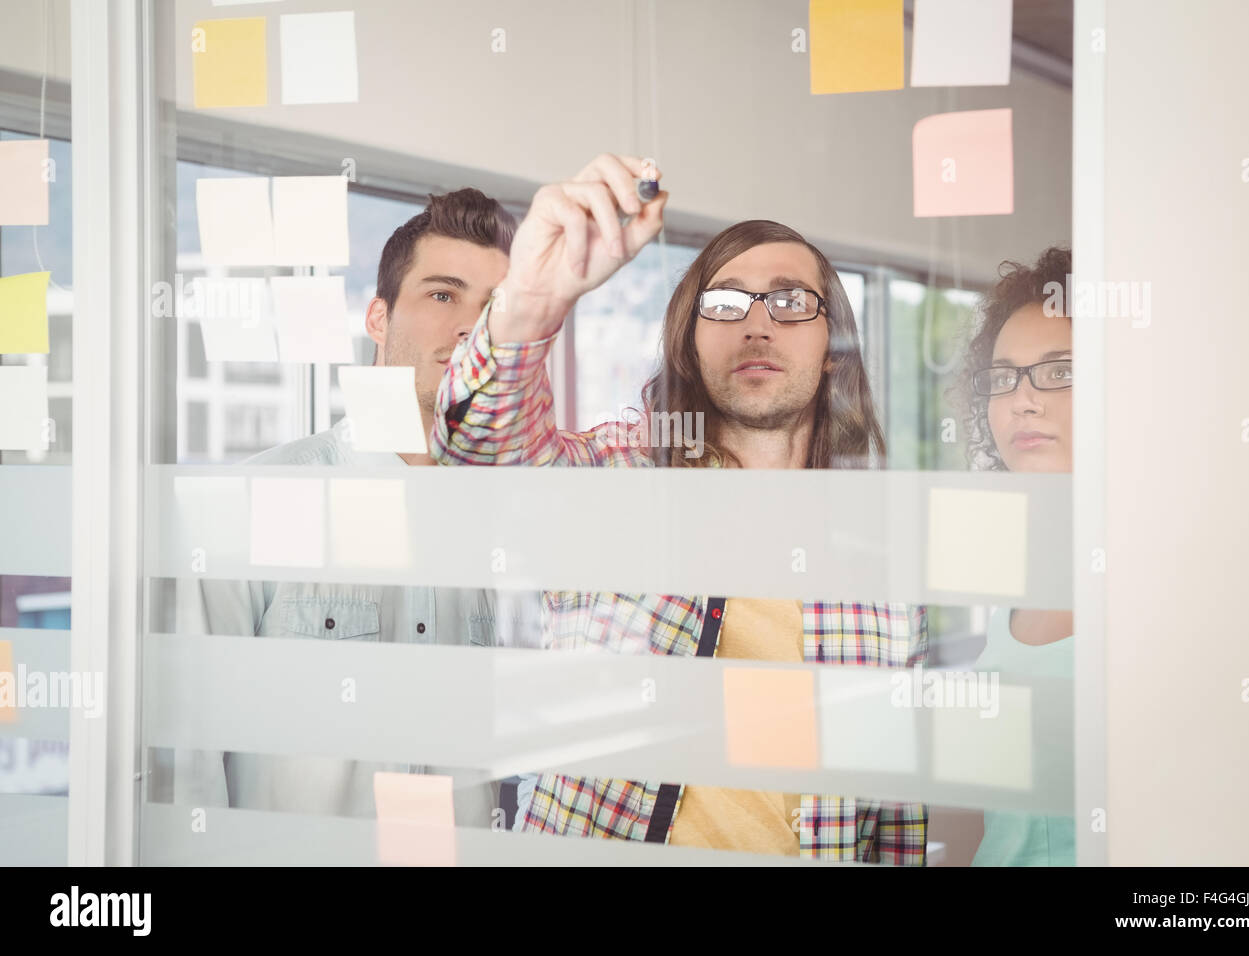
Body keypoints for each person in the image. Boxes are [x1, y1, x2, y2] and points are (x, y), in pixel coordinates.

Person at [432, 154, 930, 863]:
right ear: (690, 346)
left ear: (832, 353)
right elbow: (476, 456)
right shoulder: (617, 482)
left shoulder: (878, 559)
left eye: (791, 302)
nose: (758, 325)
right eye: (724, 303)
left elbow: (892, 817)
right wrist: (532, 301)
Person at [173, 188, 541, 825]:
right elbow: (185, 760)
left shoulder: (499, 521)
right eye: (442, 294)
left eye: (493, 307)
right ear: (378, 318)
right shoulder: (263, 500)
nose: (469, 326)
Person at [957, 245, 1075, 866]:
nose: (1023, 400)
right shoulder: (1019, 579)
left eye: (1060, 371)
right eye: (1003, 378)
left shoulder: (1175, 580)